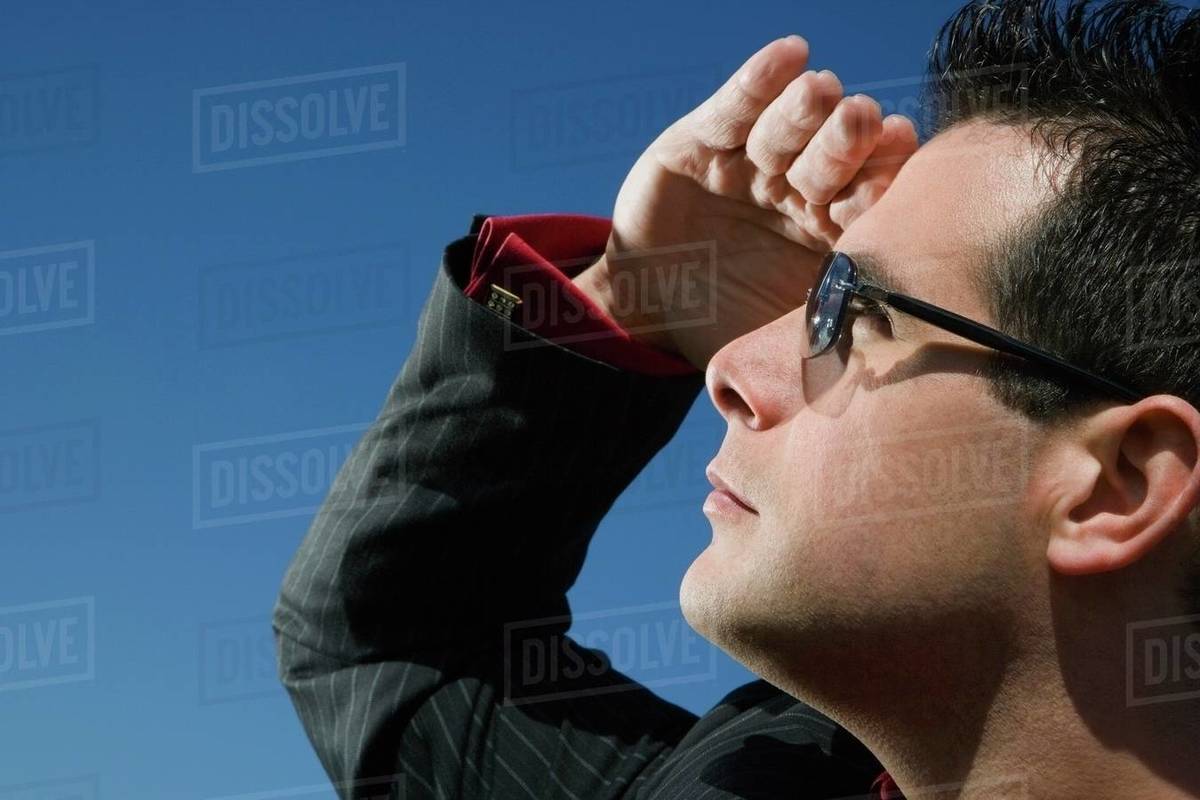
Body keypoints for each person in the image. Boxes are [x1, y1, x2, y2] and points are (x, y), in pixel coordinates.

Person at [273, 0, 1200, 797]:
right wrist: (633, 298)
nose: (726, 370)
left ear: (1117, 483)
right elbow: (387, 647)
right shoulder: (745, 776)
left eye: (851, 315)